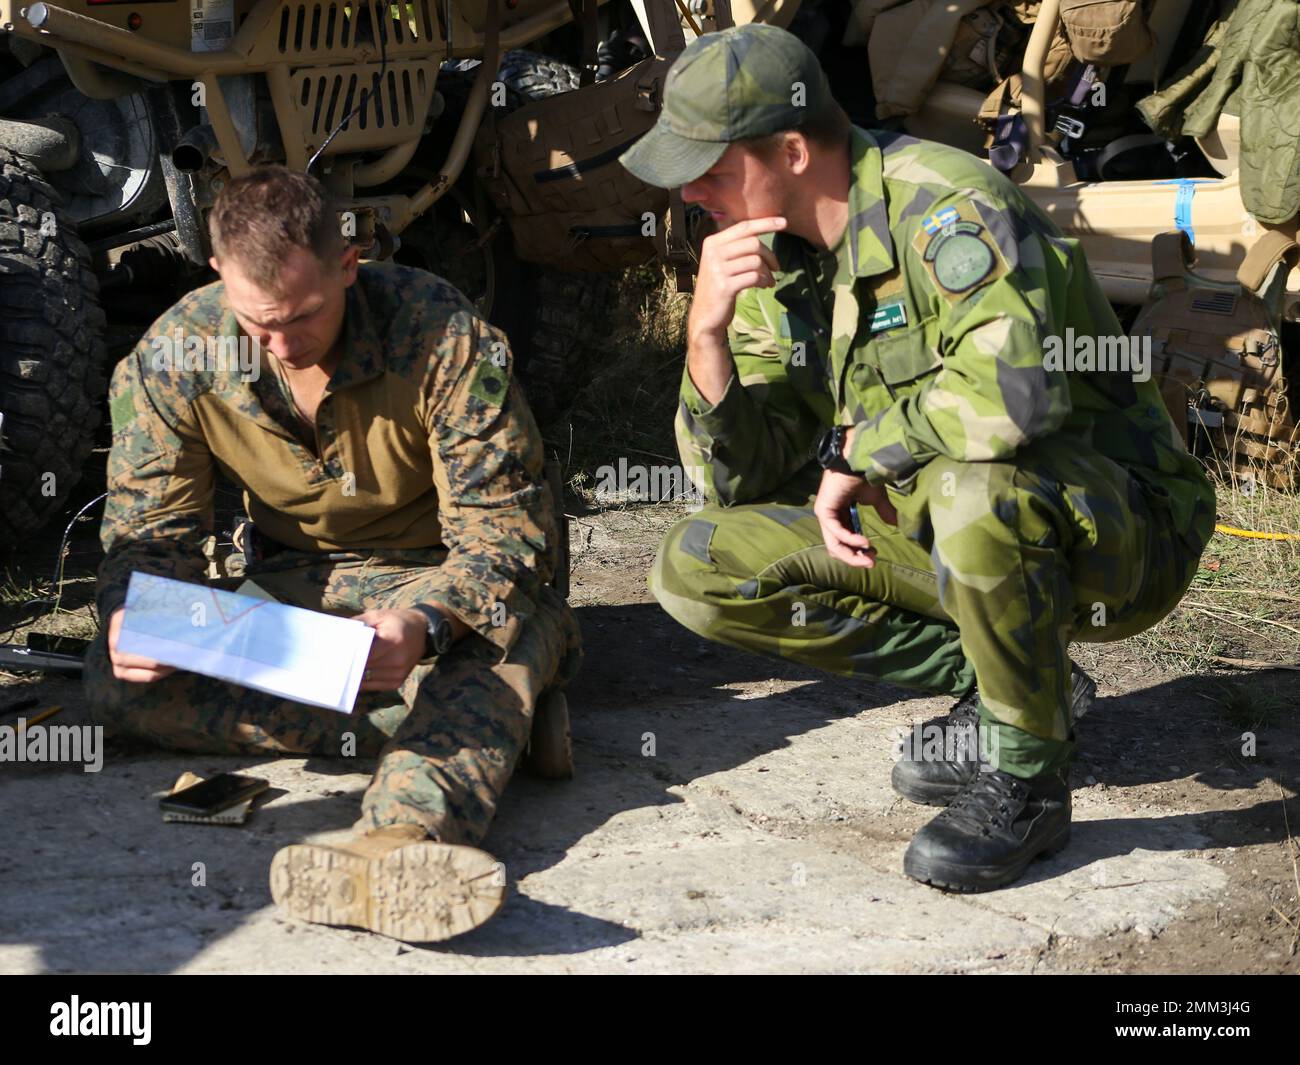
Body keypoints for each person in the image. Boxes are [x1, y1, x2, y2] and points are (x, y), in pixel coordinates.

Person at [620, 24, 1214, 892]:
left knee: (978, 490)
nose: (690, 192)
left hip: (1116, 528)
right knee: (696, 563)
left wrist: (865, 444)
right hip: (948, 527)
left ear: (789, 150)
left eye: (709, 169)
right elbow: (732, 484)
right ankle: (1013, 674)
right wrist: (705, 339)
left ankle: (1028, 779)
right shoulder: (768, 264)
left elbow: (1018, 395)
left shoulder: (946, 207)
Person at [83, 165, 582, 941]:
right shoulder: (175, 354)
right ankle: (488, 723)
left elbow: (508, 533)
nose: (281, 345)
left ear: (348, 264)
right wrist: (136, 615)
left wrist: (426, 623)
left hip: (446, 586)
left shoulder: (443, 335)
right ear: (219, 274)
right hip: (295, 595)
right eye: (258, 323)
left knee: (498, 645)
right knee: (115, 685)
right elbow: (151, 534)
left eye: (304, 315)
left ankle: (394, 844)